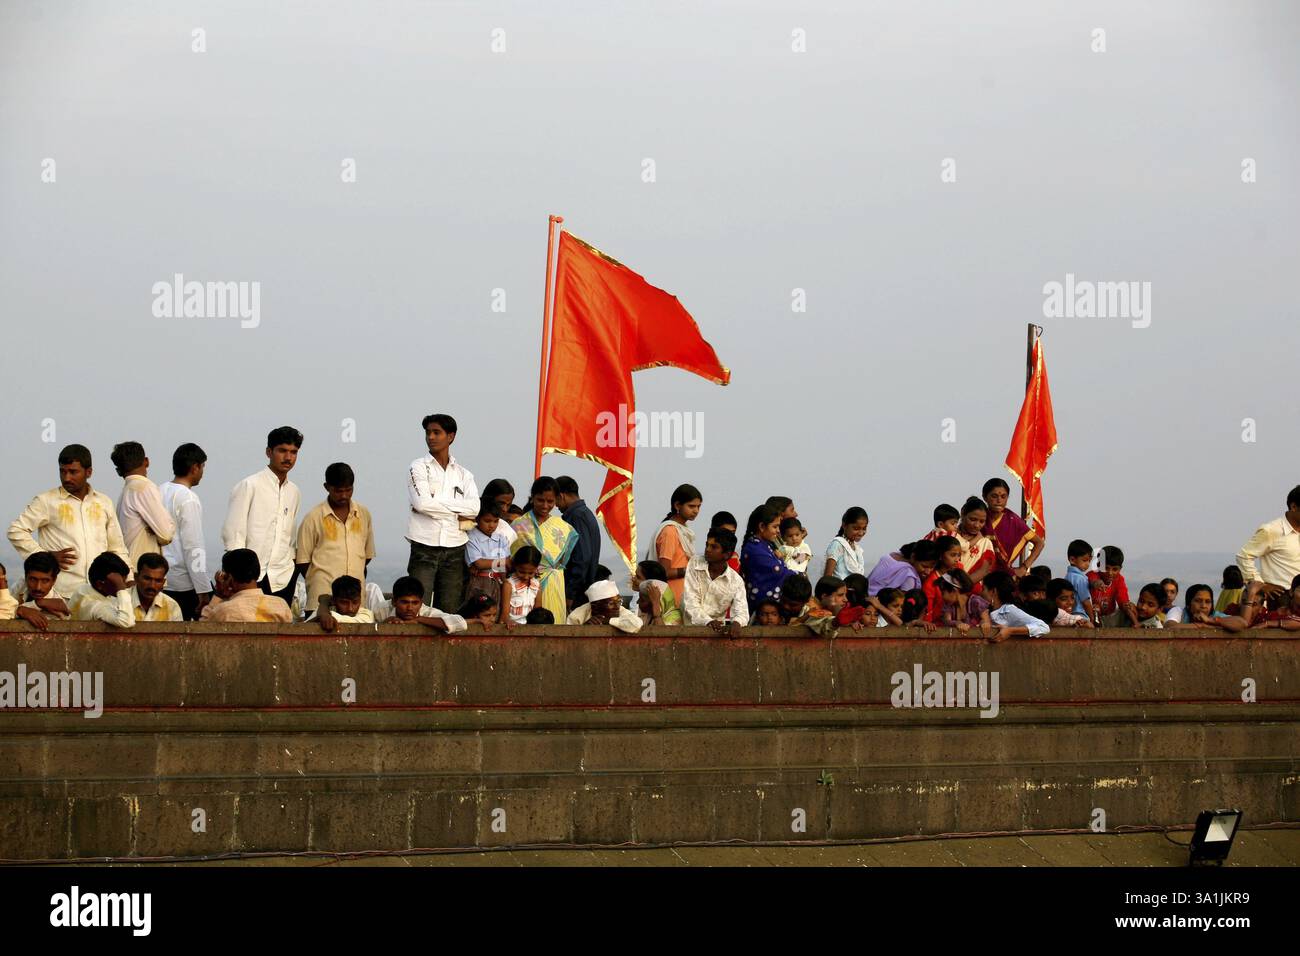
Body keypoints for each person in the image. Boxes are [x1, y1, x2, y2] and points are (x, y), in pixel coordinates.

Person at [8, 444, 129, 598]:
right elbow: (16, 531)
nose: (67, 478)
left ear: (89, 472)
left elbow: (116, 546)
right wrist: (46, 558)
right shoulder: (47, 501)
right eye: (62, 471)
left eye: (73, 472)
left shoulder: (104, 502)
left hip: (98, 592)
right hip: (60, 592)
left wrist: (129, 578)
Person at [405, 413, 479, 611]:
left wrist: (435, 504)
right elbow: (421, 504)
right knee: (418, 606)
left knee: (449, 608)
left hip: (456, 547)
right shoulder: (418, 466)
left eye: (437, 432)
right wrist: (457, 510)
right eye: (428, 433)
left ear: (451, 436)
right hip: (424, 545)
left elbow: (474, 508)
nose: (431, 437)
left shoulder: (464, 474)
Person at [222, 426, 303, 606]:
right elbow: (234, 534)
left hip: (283, 577)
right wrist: (236, 576)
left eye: (293, 452)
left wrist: (290, 567)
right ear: (269, 452)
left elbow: (290, 537)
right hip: (250, 578)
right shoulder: (249, 485)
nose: (288, 457)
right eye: (282, 451)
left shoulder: (294, 492)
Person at [294, 462, 375, 617]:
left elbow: (367, 556)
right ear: (327, 487)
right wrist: (320, 579)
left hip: (354, 603)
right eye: (338, 491)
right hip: (321, 597)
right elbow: (303, 562)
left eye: (348, 490)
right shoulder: (313, 518)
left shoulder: (363, 515)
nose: (344, 495)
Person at [510, 477, 576, 621]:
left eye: (550, 501)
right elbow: (512, 556)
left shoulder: (563, 527)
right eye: (540, 500)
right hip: (526, 583)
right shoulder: (519, 525)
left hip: (555, 583)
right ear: (532, 498)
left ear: (556, 500)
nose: (545, 505)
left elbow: (563, 561)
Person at [160, 443, 212, 620]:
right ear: (195, 467)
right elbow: (193, 546)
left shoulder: (159, 490)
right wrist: (203, 589)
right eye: (202, 467)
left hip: (159, 578)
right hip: (182, 583)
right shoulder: (188, 498)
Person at [111, 441, 176, 570]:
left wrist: (155, 529)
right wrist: (160, 529)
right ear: (146, 461)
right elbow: (166, 534)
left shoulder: (126, 491)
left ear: (118, 471)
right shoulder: (144, 487)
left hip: (129, 566)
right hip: (142, 570)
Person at [1236, 486, 1300, 598]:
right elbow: (1244, 556)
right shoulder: (1271, 530)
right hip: (1281, 597)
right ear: (1294, 507)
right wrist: (1260, 586)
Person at [201, 549, 294, 623]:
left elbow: (202, 629)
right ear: (257, 573)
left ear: (229, 578)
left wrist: (219, 595)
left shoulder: (224, 611)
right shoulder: (281, 605)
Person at [683, 527, 749, 631]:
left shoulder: (736, 581)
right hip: (688, 628)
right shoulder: (695, 563)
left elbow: (742, 612)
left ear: (726, 554)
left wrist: (737, 623)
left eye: (714, 547)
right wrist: (708, 621)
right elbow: (690, 602)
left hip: (716, 634)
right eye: (707, 545)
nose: (707, 549)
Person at [647, 484, 702, 604]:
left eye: (698, 506)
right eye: (691, 506)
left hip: (682, 598)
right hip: (670, 599)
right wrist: (689, 569)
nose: (696, 511)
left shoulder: (681, 529)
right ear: (677, 505)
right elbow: (663, 571)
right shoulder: (670, 531)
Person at [982, 478, 1045, 577]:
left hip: (1003, 577)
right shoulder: (979, 517)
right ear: (985, 497)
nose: (999, 500)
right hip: (978, 573)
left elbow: (1039, 543)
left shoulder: (1013, 520)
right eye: (994, 496)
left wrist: (1024, 567)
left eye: (1003, 497)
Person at [555, 476, 601, 609]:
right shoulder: (585, 513)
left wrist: (570, 593)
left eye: (555, 500)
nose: (555, 505)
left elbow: (582, 558)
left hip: (578, 592)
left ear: (561, 496)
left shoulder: (576, 517)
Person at [740, 503, 793, 611]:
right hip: (762, 610)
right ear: (762, 527)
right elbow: (778, 571)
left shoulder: (766, 545)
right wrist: (800, 575)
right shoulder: (754, 549)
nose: (778, 531)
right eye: (775, 526)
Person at [67, 552, 136, 628]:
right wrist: (121, 589)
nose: (124, 586)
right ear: (100, 584)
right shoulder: (94, 604)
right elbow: (127, 622)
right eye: (119, 582)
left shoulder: (85, 589)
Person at [376, 576, 467, 632]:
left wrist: (418, 619)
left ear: (421, 603)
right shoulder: (381, 610)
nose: (410, 608)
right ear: (394, 602)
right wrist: (384, 623)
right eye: (405, 602)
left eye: (415, 603)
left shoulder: (428, 613)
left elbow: (460, 622)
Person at [465, 503, 512, 607]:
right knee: (479, 611)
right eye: (487, 521)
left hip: (498, 581)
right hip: (479, 582)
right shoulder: (471, 537)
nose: (492, 525)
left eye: (496, 521)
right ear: (477, 519)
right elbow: (479, 564)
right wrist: (503, 561)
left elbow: (504, 567)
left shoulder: (501, 538)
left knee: (495, 612)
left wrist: (504, 582)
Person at [5, 552, 68, 630]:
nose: (38, 587)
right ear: (25, 577)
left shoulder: (57, 609)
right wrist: (21, 610)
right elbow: (3, 606)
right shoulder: (21, 584)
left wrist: (20, 610)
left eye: (45, 581)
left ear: (54, 580)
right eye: (33, 579)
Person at [985, 572, 1050, 642]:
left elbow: (1043, 627)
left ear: (993, 591)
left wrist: (1010, 630)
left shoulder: (1008, 610)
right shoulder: (987, 611)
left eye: (983, 589)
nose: (980, 593)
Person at [1086, 545, 1138, 627]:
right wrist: (1097, 584)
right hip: (1090, 616)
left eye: (1115, 569)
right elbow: (1093, 581)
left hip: (1109, 618)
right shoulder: (1092, 575)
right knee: (1096, 608)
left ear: (1120, 569)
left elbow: (1123, 601)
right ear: (1098, 565)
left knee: (1130, 607)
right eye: (1106, 568)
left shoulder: (1119, 580)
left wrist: (1135, 623)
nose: (1110, 573)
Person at [867, 539, 940, 596]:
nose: (928, 572)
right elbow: (905, 604)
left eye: (932, 567)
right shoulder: (909, 575)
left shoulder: (890, 556)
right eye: (924, 566)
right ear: (913, 557)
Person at [566, 580, 643, 633]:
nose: (617, 607)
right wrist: (584, 630)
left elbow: (637, 624)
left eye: (619, 602)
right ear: (595, 607)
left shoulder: (620, 609)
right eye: (611, 604)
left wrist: (607, 621)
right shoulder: (577, 615)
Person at [1165, 584, 1247, 632]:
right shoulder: (1179, 611)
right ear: (1188, 604)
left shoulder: (1215, 615)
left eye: (1208, 602)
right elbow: (1169, 627)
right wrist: (1202, 626)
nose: (1203, 606)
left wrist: (1210, 621)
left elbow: (1242, 623)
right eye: (1198, 601)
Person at [953, 496, 996, 585]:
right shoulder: (950, 535)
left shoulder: (985, 543)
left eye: (982, 521)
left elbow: (983, 571)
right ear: (963, 513)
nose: (977, 525)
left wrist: (960, 587)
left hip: (969, 590)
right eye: (973, 519)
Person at [129, 553, 183, 622]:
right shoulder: (120, 602)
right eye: (147, 579)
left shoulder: (172, 606)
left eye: (158, 581)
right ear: (136, 577)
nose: (152, 585)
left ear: (163, 582)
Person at [921, 535, 963, 623]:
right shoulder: (931, 583)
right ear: (940, 556)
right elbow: (927, 613)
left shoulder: (959, 570)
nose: (957, 559)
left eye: (959, 555)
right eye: (953, 555)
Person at [822, 507, 869, 580]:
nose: (860, 533)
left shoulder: (857, 549)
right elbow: (827, 578)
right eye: (856, 529)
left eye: (864, 529)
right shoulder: (838, 544)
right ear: (844, 525)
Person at [631, 560, 682, 626]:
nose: (637, 602)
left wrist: (656, 611)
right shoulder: (647, 613)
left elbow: (661, 635)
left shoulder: (674, 617)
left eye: (638, 577)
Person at [501, 546, 542, 625]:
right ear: (515, 566)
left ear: (536, 568)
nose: (526, 577)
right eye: (522, 572)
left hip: (531, 628)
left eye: (530, 573)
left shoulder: (537, 586)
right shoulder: (509, 585)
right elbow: (504, 617)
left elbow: (538, 613)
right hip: (512, 628)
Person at [1065, 539, 1097, 621]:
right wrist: (1092, 618)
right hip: (1081, 615)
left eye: (1089, 561)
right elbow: (1085, 602)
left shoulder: (1068, 576)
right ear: (1072, 559)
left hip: (1070, 614)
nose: (1088, 564)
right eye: (1085, 560)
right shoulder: (1080, 579)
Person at [480, 479, 518, 547]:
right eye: (501, 503)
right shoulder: (466, 522)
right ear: (488, 499)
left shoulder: (508, 532)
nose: (504, 509)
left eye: (508, 505)